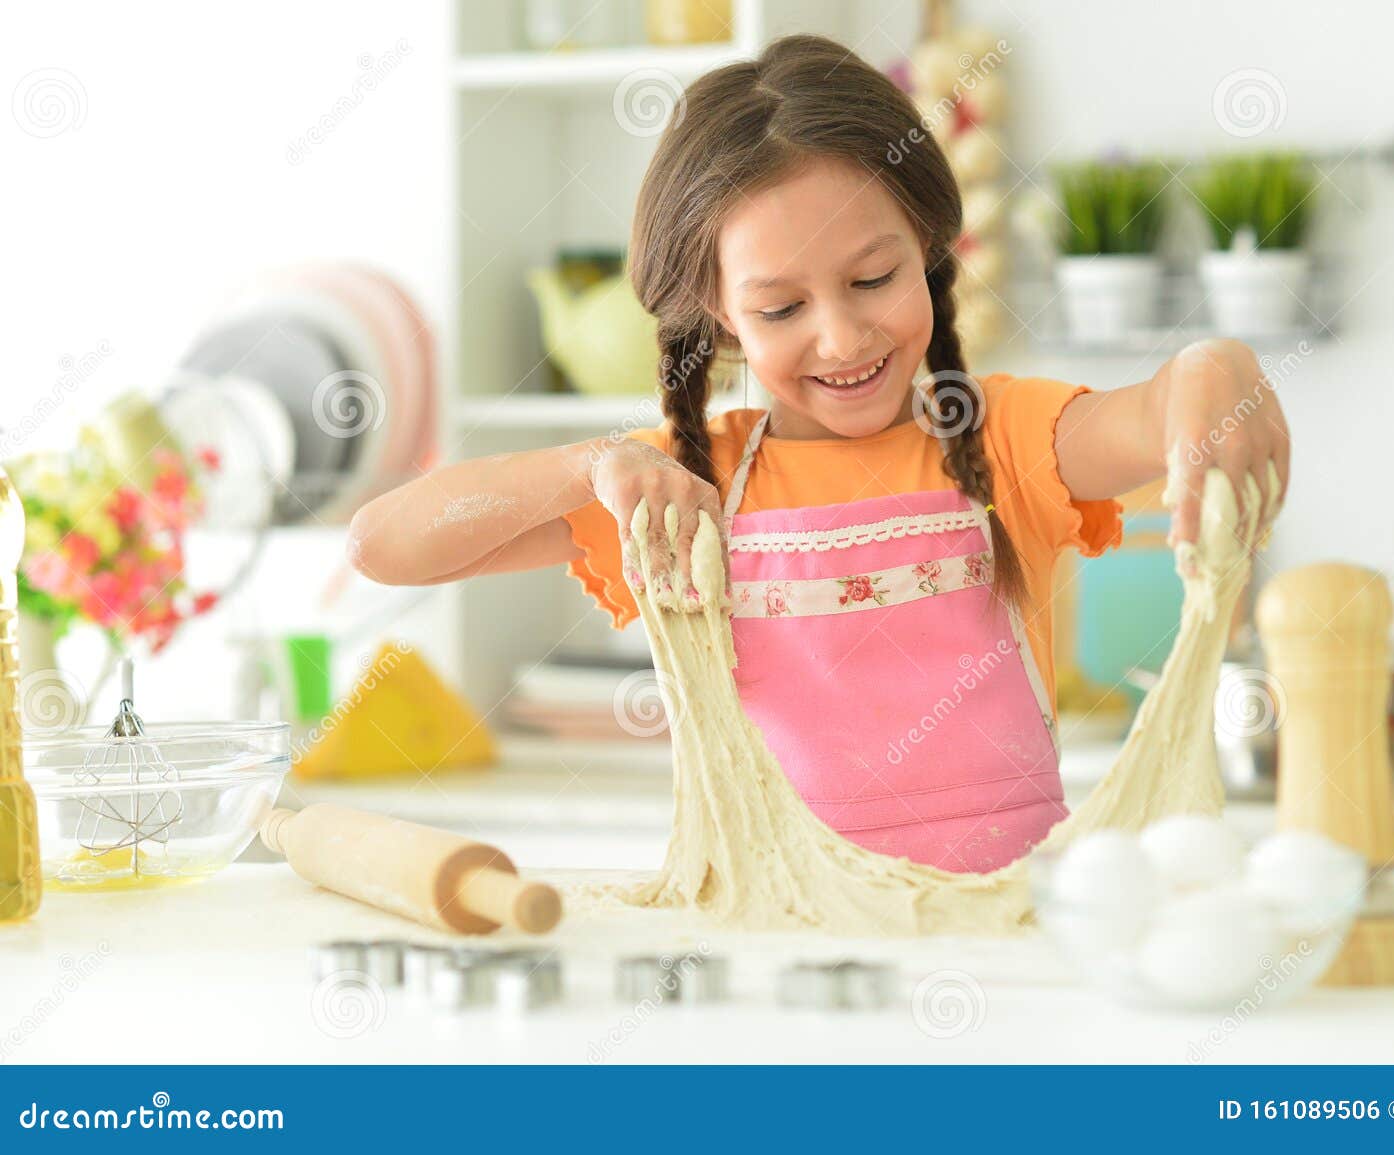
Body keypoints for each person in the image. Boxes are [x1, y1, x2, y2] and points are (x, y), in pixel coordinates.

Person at [351, 34, 1289, 874]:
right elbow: (384, 545)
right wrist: (586, 464)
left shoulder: (997, 441)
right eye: (781, 308)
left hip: (1004, 945)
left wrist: (1217, 368)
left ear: (928, 248)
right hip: (777, 948)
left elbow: (1163, 409)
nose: (842, 338)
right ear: (719, 314)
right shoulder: (682, 489)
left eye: (873, 278)